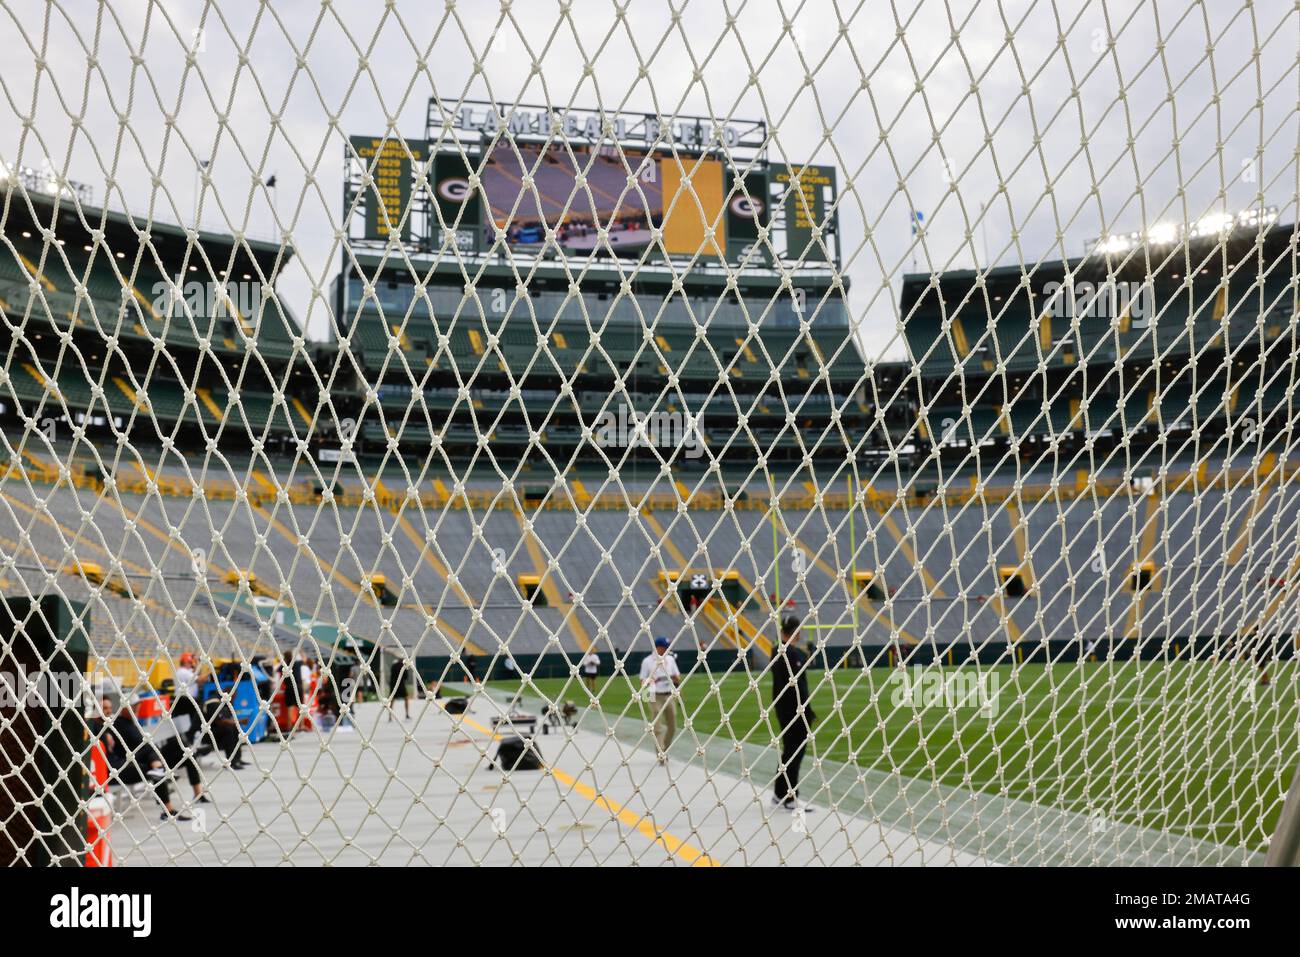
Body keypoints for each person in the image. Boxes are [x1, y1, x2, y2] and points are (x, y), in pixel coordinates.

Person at [93, 695, 191, 822]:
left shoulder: (109, 725)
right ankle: (167, 806)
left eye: (110, 708)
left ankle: (159, 773)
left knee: (152, 760)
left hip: (119, 763)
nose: (108, 711)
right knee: (153, 766)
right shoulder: (94, 728)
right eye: (104, 708)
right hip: (109, 771)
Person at [770, 615, 816, 812]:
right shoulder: (791, 654)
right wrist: (807, 710)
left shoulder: (777, 651)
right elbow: (798, 689)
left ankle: (780, 793)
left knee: (789, 751)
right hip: (793, 711)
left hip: (783, 708)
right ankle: (789, 796)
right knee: (794, 753)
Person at [639, 637, 680, 764]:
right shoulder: (647, 661)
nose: (667, 649)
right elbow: (642, 681)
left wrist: (675, 681)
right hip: (652, 694)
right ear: (658, 647)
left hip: (668, 694)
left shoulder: (670, 659)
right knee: (657, 724)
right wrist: (651, 681)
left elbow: (677, 677)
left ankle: (664, 750)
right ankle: (661, 752)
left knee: (672, 726)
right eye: (665, 647)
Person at [388, 655, 413, 721]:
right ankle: (407, 714)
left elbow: (392, 674)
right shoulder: (404, 666)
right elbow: (406, 677)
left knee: (392, 700)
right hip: (401, 685)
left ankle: (390, 716)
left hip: (393, 685)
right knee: (406, 698)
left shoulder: (393, 666)